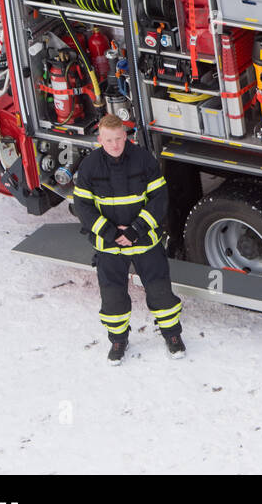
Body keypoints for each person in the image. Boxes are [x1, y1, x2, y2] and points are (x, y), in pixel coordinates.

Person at [73, 114, 185, 364]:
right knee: (112, 297)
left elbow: (159, 199)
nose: (114, 145)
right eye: (109, 140)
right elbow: (83, 206)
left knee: (160, 291)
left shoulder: (144, 160)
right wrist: (112, 233)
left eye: (119, 139)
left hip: (144, 241)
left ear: (126, 136)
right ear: (100, 139)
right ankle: (118, 340)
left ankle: (173, 336)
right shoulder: (89, 166)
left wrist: (136, 230)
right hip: (109, 245)